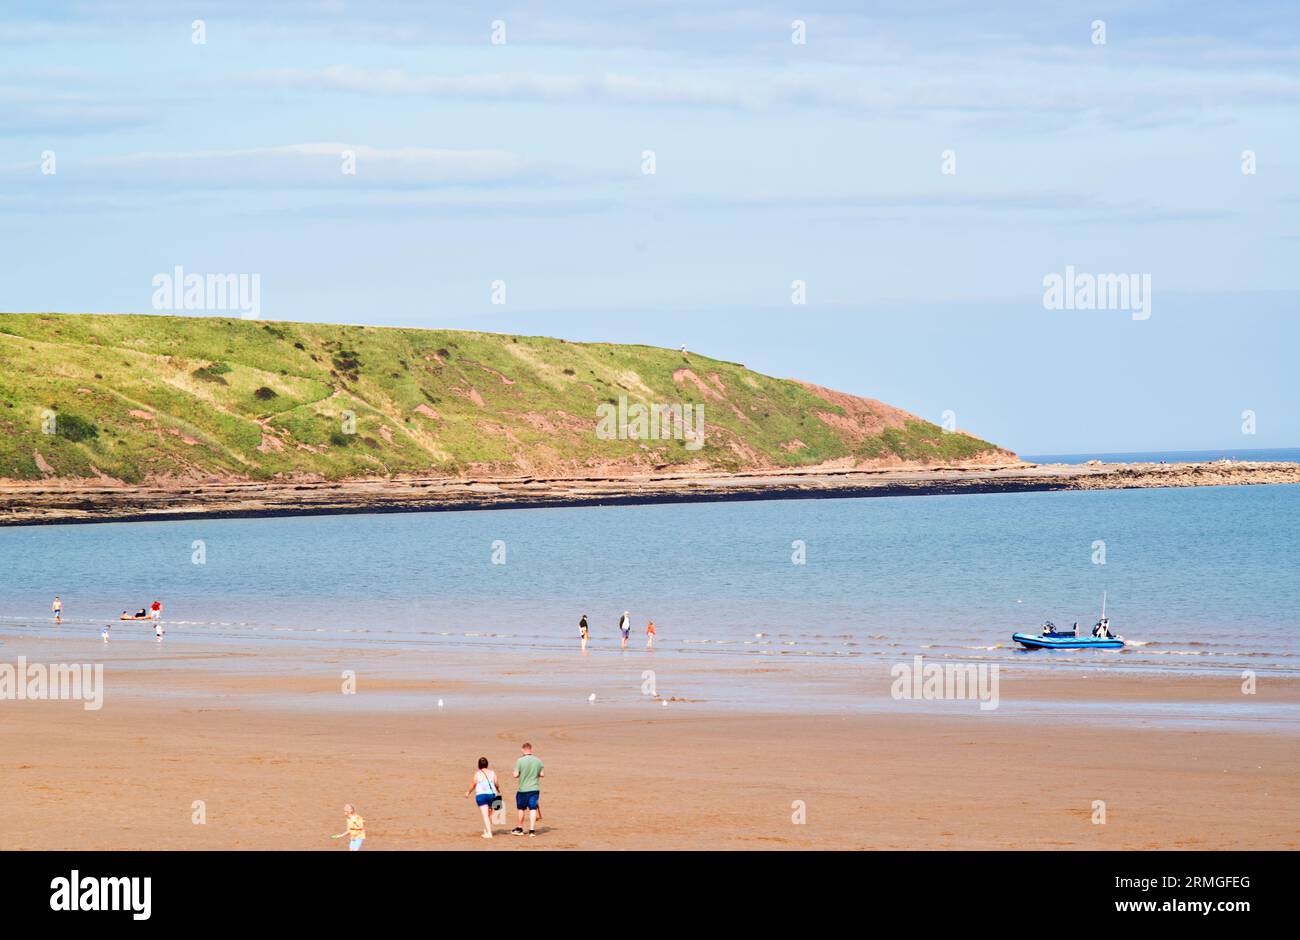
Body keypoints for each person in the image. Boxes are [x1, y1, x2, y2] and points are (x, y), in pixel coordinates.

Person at [511, 742, 544, 837]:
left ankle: (520, 828)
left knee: (521, 809)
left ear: (523, 750)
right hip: (534, 789)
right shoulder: (538, 761)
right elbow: (542, 774)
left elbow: (515, 775)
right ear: (531, 749)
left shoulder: (519, 761)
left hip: (523, 789)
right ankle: (532, 830)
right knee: (533, 809)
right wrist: (534, 774)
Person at [465, 757, 500, 839]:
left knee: (485, 815)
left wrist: (468, 792)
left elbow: (473, 785)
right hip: (492, 795)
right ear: (487, 764)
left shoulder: (477, 774)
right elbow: (497, 784)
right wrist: (498, 790)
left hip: (482, 795)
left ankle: (489, 834)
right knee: (490, 814)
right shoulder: (492, 773)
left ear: (479, 765)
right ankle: (487, 830)